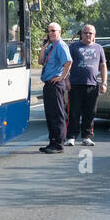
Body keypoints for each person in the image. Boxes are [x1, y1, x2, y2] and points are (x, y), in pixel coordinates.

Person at [65, 24, 107, 146]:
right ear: (81, 34)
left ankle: (86, 137)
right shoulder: (73, 47)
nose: (88, 35)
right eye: (85, 33)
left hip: (92, 85)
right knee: (74, 112)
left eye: (90, 33)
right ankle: (71, 137)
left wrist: (104, 82)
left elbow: (103, 66)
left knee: (90, 113)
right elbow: (67, 64)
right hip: (75, 85)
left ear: (94, 35)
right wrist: (66, 80)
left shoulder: (99, 48)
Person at [38, 22, 72, 153]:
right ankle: (52, 141)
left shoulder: (61, 46)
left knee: (57, 114)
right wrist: (43, 47)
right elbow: (40, 61)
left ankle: (59, 144)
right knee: (50, 114)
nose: (51, 33)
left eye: (53, 31)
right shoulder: (51, 46)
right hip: (48, 84)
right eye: (49, 31)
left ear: (60, 31)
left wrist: (62, 77)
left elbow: (68, 61)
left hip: (56, 84)